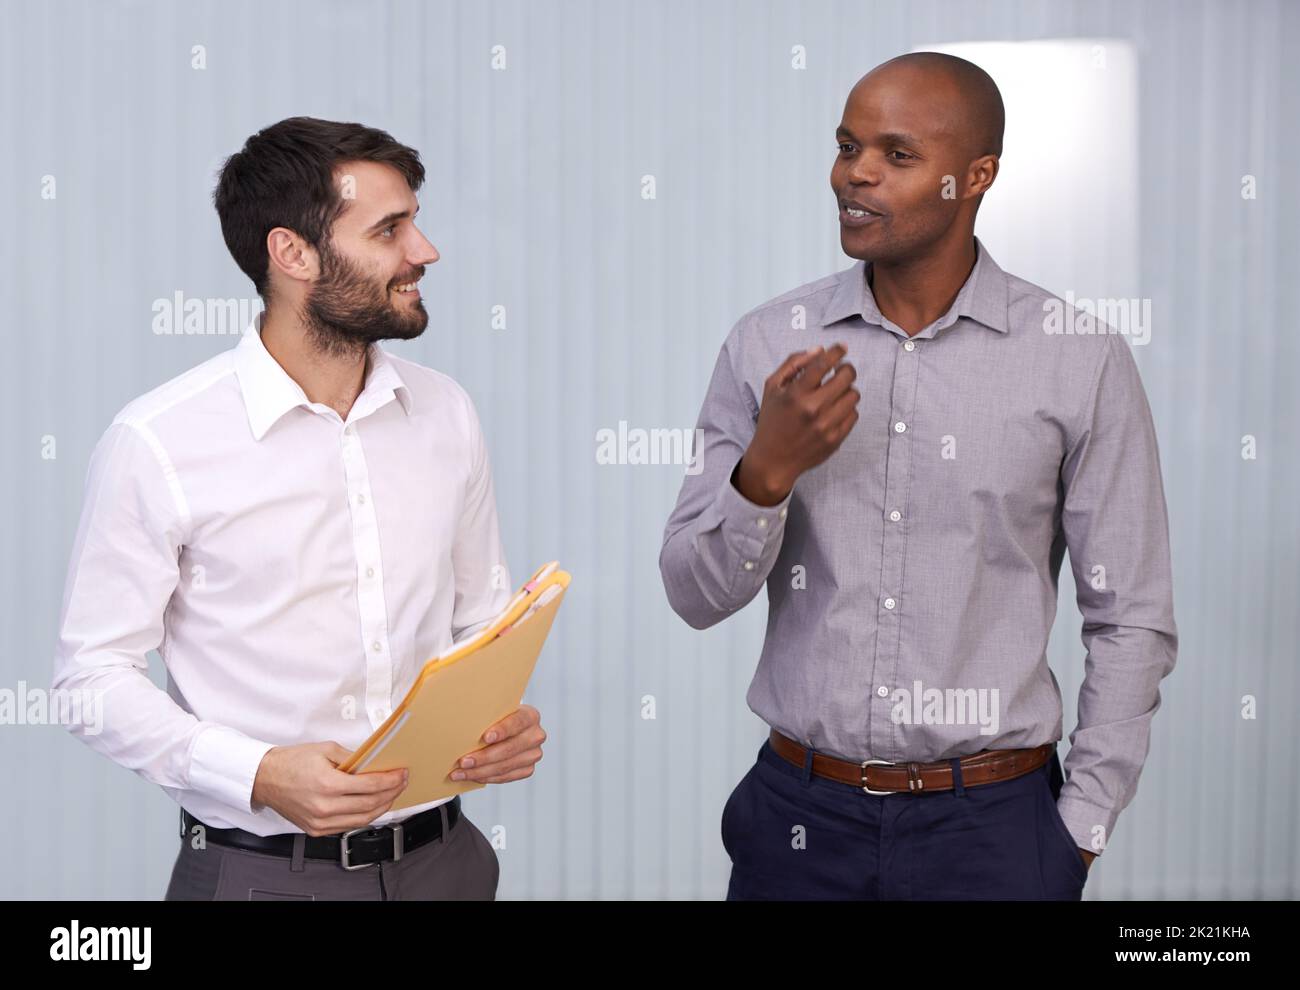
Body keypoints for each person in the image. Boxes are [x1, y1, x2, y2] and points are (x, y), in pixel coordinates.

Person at [659, 53, 1177, 900]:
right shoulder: (765, 344)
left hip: (995, 831)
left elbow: (1133, 617)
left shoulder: (1079, 360)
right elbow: (693, 594)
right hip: (797, 821)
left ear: (976, 176)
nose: (855, 173)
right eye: (847, 145)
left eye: (897, 155)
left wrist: (1077, 830)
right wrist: (767, 472)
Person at [51, 117, 546, 900]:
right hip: (263, 878)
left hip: (450, 865)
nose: (425, 250)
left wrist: (500, 721)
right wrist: (258, 772)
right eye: (390, 229)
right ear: (293, 254)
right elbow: (88, 678)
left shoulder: (446, 412)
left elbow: (481, 622)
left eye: (414, 221)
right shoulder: (157, 441)